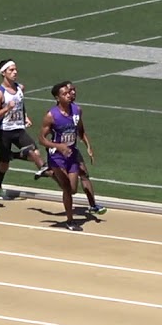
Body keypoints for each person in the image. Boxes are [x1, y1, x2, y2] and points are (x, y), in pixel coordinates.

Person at [39, 81, 104, 231]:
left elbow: (81, 130)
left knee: (73, 189)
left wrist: (88, 146)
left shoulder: (77, 110)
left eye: (69, 93)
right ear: (57, 98)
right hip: (57, 156)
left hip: (72, 154)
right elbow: (41, 139)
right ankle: (70, 221)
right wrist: (59, 146)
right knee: (67, 189)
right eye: (64, 94)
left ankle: (49, 172)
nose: (68, 95)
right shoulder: (51, 116)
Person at [0, 58, 49, 203]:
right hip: (5, 131)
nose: (15, 72)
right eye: (11, 70)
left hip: (19, 129)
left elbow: (21, 104)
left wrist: (25, 116)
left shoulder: (20, 88)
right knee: (4, 165)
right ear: (3, 73)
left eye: (15, 69)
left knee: (35, 153)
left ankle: (18, 157)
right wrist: (7, 108)